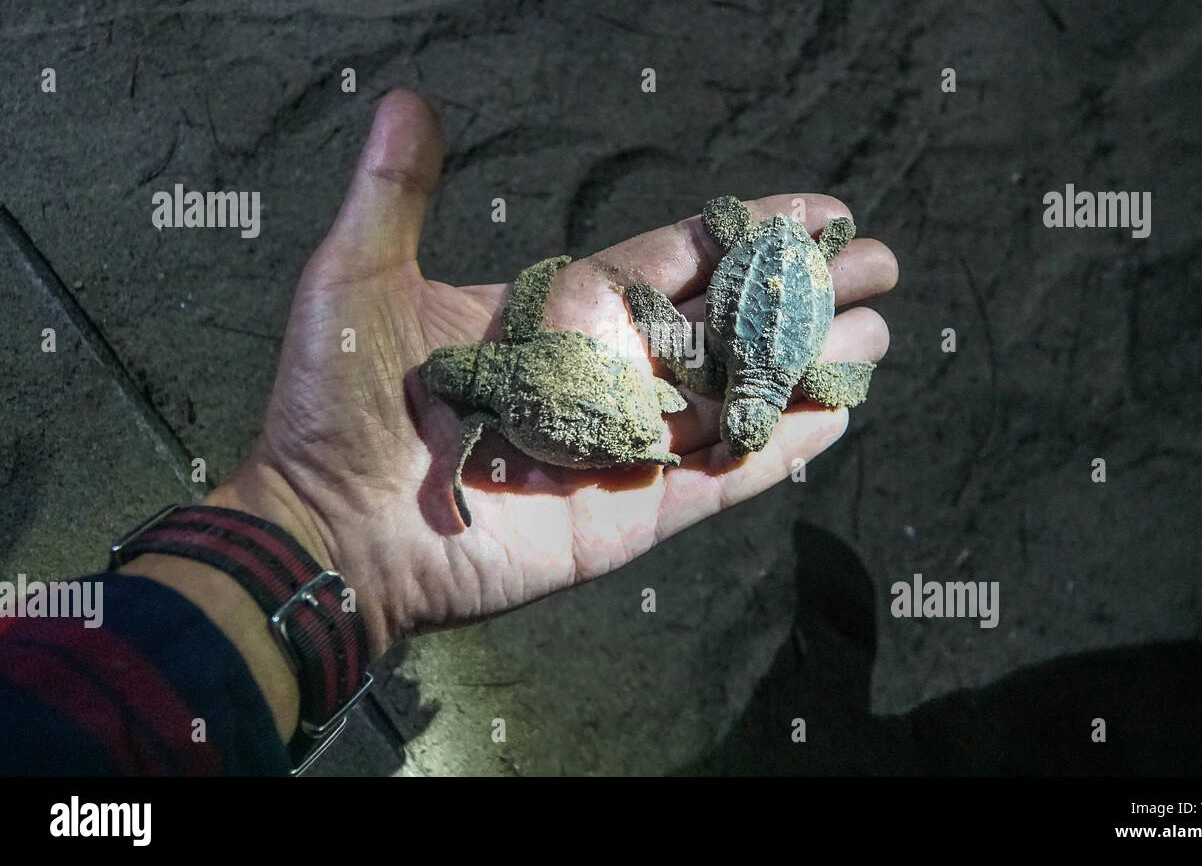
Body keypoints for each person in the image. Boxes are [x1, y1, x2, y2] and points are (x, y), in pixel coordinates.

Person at [0, 90, 897, 775]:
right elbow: (564, 305)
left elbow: (606, 324)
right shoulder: (557, 375)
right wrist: (325, 530)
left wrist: (328, 525)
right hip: (625, 413)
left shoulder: (544, 395)